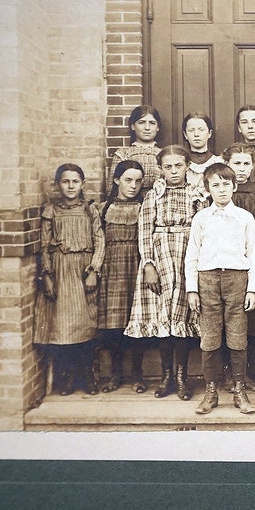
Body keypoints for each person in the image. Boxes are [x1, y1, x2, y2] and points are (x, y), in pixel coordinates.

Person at [125, 145, 206, 400]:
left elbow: (203, 229)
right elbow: (144, 230)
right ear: (160, 169)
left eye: (178, 166)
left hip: (186, 256)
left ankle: (182, 377)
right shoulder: (153, 196)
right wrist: (148, 264)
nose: (173, 171)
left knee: (181, 315)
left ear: (187, 167)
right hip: (159, 257)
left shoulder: (197, 194)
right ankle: (166, 375)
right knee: (164, 316)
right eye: (168, 167)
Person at [185, 162, 255, 416]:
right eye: (215, 185)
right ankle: (211, 391)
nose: (221, 190)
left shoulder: (244, 218)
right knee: (209, 336)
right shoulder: (201, 218)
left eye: (226, 184)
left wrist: (252, 288)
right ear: (207, 189)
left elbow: (254, 254)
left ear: (234, 186)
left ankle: (239, 390)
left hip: (237, 280)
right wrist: (192, 289)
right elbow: (192, 256)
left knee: (238, 335)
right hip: (207, 280)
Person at [34, 163, 105, 396]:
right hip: (60, 271)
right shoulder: (51, 211)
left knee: (86, 325)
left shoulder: (89, 210)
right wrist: (46, 275)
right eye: (66, 181)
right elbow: (44, 246)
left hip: (84, 272)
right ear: (58, 184)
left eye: (75, 181)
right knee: (62, 328)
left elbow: (99, 241)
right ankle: (67, 377)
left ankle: (88, 375)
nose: (71, 186)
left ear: (83, 184)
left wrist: (94, 269)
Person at [223, 144, 255, 387]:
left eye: (246, 164)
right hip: (227, 263)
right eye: (236, 163)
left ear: (253, 166)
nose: (241, 169)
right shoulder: (223, 193)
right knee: (229, 317)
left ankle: (249, 372)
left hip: (253, 264)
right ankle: (228, 373)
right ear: (227, 165)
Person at [95, 160, 147, 393]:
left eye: (138, 181)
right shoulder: (102, 208)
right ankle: (115, 374)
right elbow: (98, 242)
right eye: (128, 180)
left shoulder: (145, 206)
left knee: (135, 321)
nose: (133, 186)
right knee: (114, 324)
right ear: (116, 180)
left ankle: (138, 374)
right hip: (111, 269)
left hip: (136, 266)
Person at [109, 104, 163, 194]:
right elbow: (112, 188)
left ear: (158, 127)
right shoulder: (123, 154)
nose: (147, 128)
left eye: (152, 123)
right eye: (141, 122)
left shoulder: (165, 154)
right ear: (133, 126)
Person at [182, 112, 223, 189]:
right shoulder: (181, 163)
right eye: (191, 130)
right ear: (185, 135)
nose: (196, 134)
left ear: (209, 133)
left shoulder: (218, 162)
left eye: (201, 130)